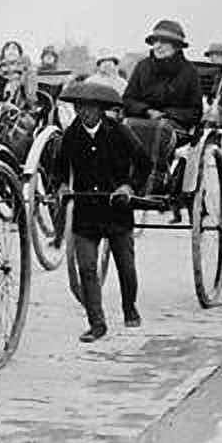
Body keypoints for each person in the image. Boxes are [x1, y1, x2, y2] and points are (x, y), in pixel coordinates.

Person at [52, 82, 152, 342]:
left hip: (117, 210)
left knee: (125, 265)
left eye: (89, 108)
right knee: (86, 268)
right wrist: (61, 185)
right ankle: (96, 324)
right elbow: (59, 167)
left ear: (101, 109)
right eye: (79, 107)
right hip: (85, 212)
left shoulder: (119, 132)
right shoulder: (71, 135)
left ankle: (129, 307)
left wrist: (129, 186)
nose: (83, 112)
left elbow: (144, 162)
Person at [122, 19, 203, 198]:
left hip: (175, 125)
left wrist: (166, 115)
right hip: (142, 119)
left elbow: (195, 111)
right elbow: (128, 99)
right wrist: (146, 111)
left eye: (163, 42)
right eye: (155, 41)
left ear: (176, 46)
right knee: (124, 127)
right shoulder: (142, 67)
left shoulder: (189, 72)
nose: (157, 46)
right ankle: (127, 178)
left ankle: (156, 178)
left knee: (160, 129)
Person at [0, 40, 38, 107]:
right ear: (3, 54)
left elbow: (31, 93)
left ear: (20, 54)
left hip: (21, 106)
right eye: (7, 49)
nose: (11, 51)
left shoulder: (27, 71)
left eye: (14, 48)